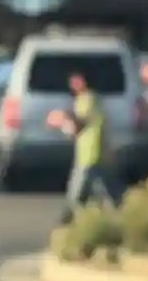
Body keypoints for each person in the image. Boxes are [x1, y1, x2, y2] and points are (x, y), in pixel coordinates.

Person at [49, 71, 124, 225]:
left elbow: (79, 123)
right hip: (91, 152)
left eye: (77, 81)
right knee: (107, 188)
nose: (73, 85)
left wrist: (62, 117)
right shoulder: (86, 99)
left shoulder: (88, 99)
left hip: (91, 152)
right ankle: (120, 215)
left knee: (79, 190)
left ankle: (68, 221)